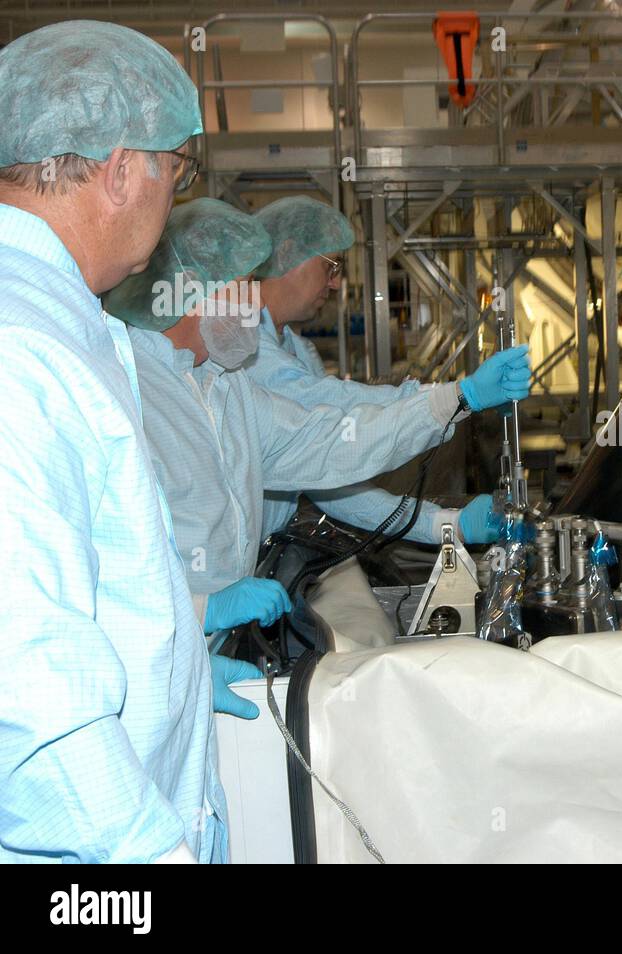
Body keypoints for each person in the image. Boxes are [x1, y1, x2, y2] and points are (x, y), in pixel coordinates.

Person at [103, 199, 530, 649]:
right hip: (157, 652)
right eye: (245, 285)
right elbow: (105, 573)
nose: (254, 303)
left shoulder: (223, 387)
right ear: (192, 288)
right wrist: (200, 611)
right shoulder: (129, 391)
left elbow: (327, 445)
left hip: (212, 645)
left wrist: (455, 401)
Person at [0, 21, 222, 862]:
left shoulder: (60, 322)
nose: (177, 197)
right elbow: (25, 688)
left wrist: (180, 684)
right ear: (124, 168)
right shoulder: (19, 350)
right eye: (179, 169)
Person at [245, 196, 513, 547]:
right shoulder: (247, 352)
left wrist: (447, 525)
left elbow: (330, 473)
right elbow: (333, 408)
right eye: (332, 266)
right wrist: (454, 397)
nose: (337, 283)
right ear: (287, 253)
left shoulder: (295, 348)